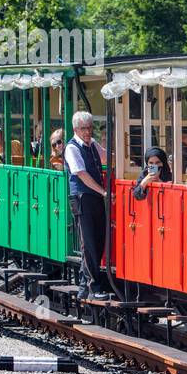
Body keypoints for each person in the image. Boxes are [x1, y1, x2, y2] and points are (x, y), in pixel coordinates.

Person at [64, 111, 113, 300]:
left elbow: (107, 158)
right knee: (90, 243)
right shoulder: (72, 148)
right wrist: (102, 192)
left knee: (98, 240)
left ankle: (84, 288)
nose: (87, 132)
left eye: (90, 128)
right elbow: (81, 174)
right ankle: (93, 288)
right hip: (82, 197)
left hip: (93, 197)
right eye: (84, 128)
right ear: (76, 129)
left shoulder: (92, 144)